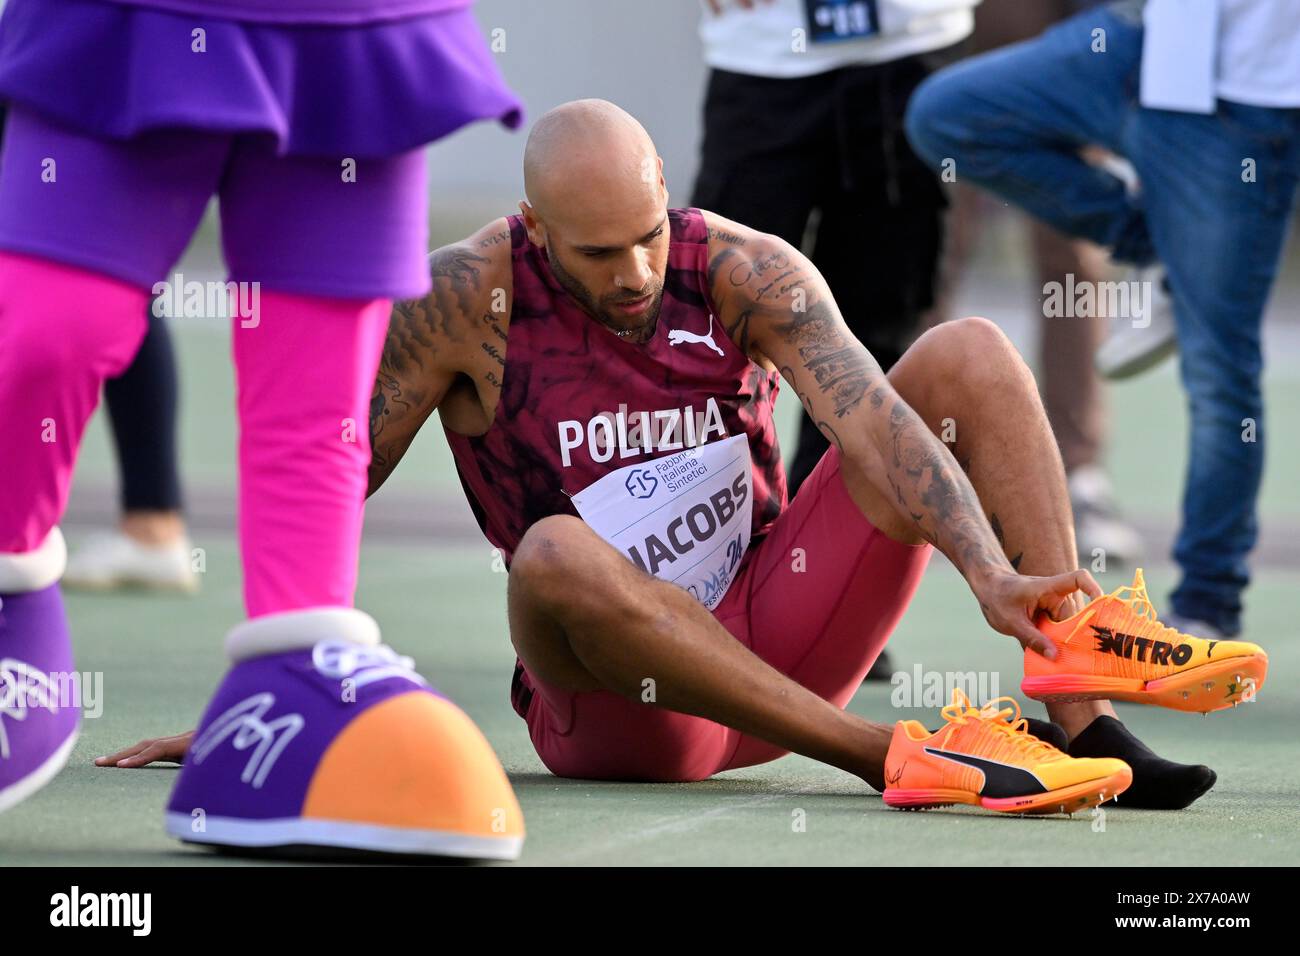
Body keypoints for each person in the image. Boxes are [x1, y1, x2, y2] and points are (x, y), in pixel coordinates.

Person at [104, 100, 1270, 813]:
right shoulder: (464, 299)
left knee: (960, 351)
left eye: (649, 234)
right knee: (550, 550)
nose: (635, 272)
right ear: (533, 228)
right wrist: (267, 683)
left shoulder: (742, 269)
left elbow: (876, 424)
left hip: (782, 635)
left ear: (673, 200)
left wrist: (990, 572)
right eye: (597, 252)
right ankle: (899, 757)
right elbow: (333, 489)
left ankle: (1067, 677)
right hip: (629, 714)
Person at [0, 0, 526, 860]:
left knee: (317, 393)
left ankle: (292, 672)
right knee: (53, 323)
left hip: (355, 29)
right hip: (130, 17)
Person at [905, 0, 1300, 638]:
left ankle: (1206, 600)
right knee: (946, 113)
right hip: (1146, 44)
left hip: (1251, 96)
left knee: (1220, 374)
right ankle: (1159, 246)